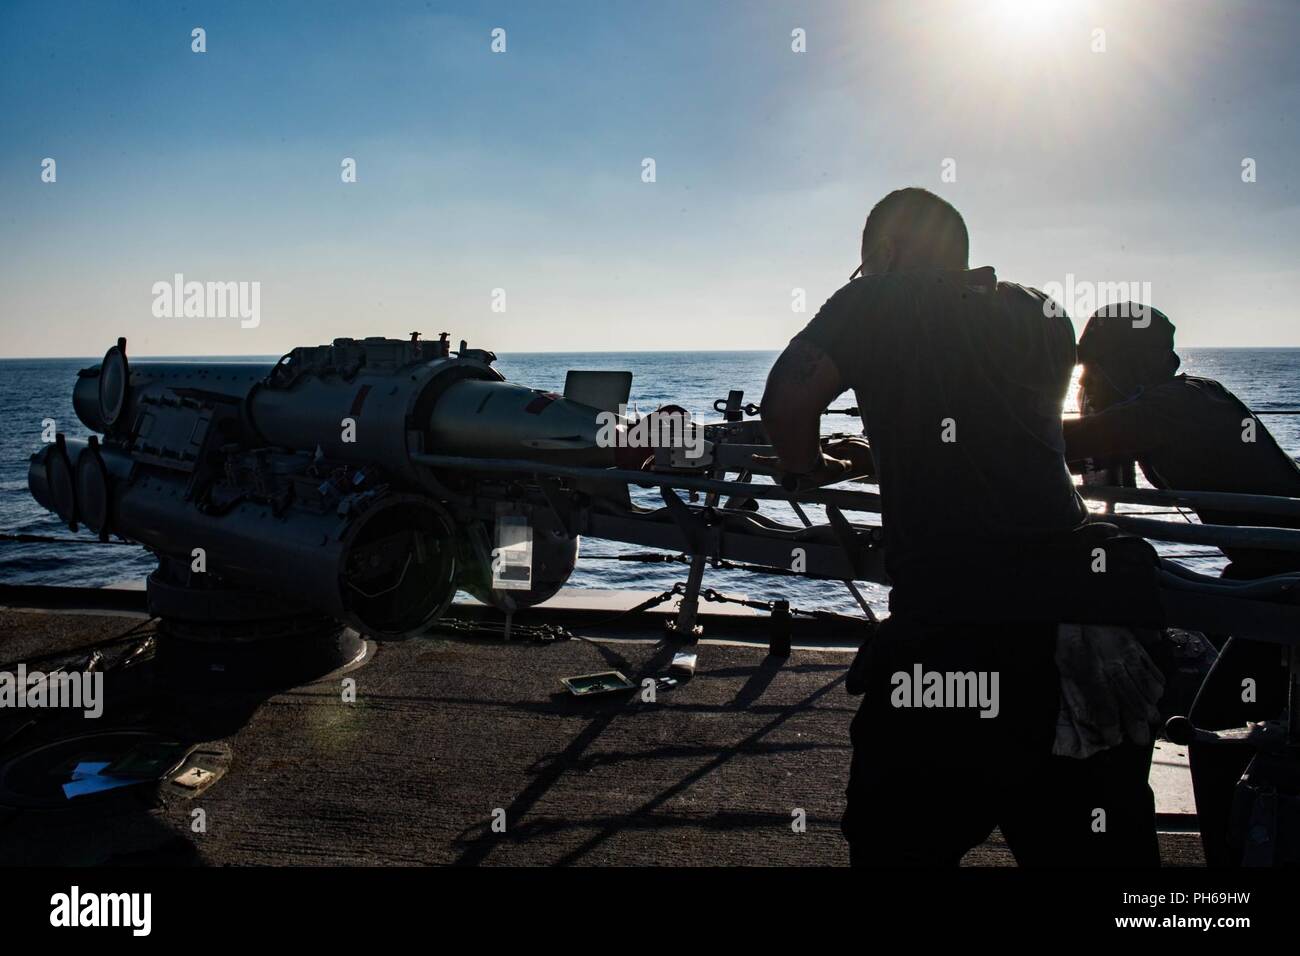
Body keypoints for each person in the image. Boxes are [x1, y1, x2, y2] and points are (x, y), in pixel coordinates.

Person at [761, 187, 1162, 866]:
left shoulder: (874, 301)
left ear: (884, 253)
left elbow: (788, 401)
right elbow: (1007, 429)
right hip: (1078, 623)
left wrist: (802, 471)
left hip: (954, 629)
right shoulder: (1043, 310)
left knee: (895, 844)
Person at [1064, 304, 1300, 865]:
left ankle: (1230, 872)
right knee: (1221, 714)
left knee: (1215, 725)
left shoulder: (1172, 406)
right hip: (1270, 576)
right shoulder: (1192, 396)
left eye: (1091, 367)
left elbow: (1054, 445)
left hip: (1285, 580)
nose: (1087, 382)